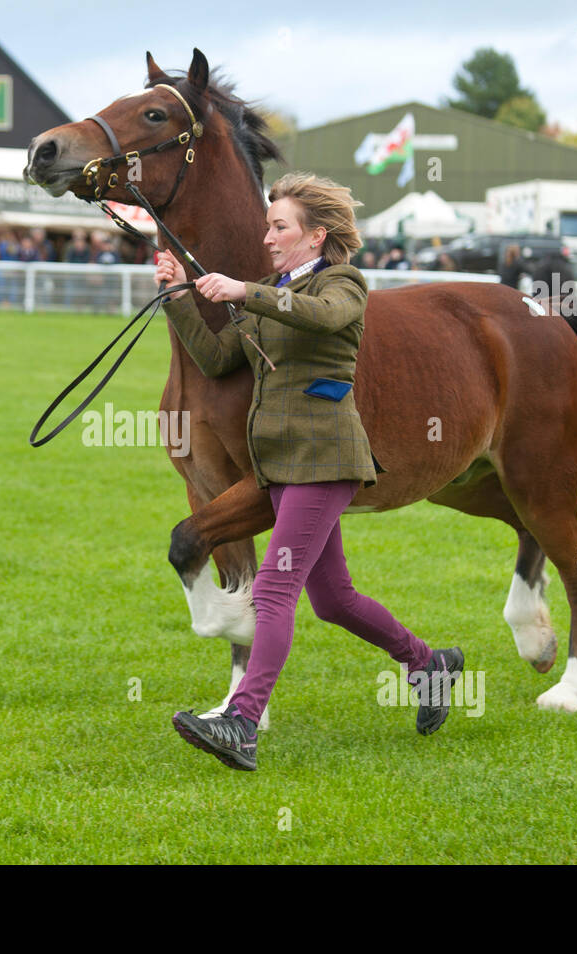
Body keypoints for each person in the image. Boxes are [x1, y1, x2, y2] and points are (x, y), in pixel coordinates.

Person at [153, 171, 464, 772]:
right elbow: (219, 357)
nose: (266, 236)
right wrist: (180, 298)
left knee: (273, 588)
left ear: (315, 236)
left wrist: (244, 291)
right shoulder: (271, 289)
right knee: (333, 600)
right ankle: (429, 664)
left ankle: (242, 722)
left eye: (279, 227)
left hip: (325, 460)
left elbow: (321, 317)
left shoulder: (343, 284)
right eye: (268, 225)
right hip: (281, 464)